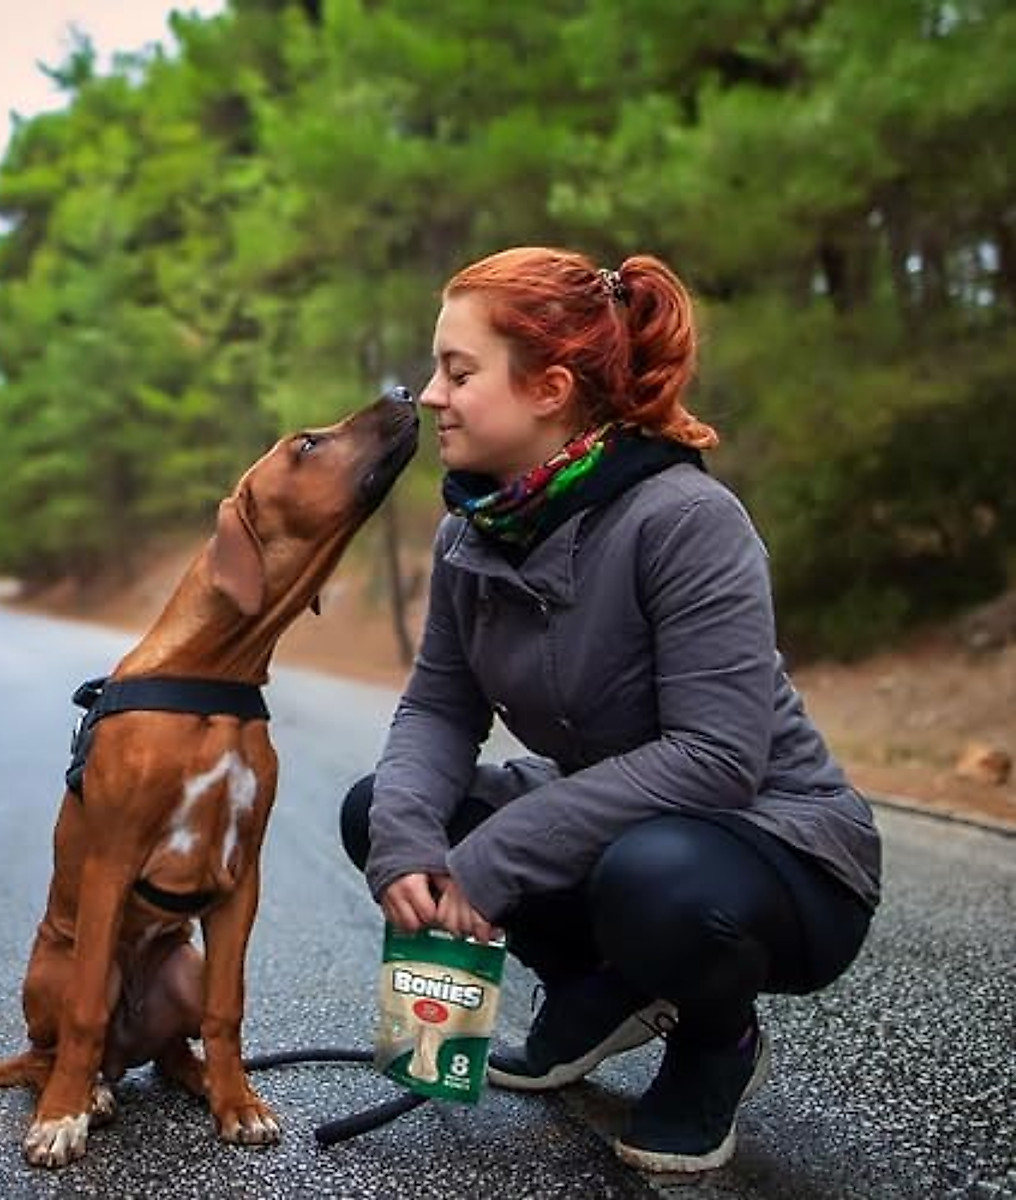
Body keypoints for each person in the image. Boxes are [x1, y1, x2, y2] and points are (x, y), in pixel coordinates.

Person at [339, 246, 881, 1174]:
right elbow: (438, 707)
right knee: (381, 807)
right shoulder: (473, 528)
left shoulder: (685, 520)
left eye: (459, 373)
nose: (431, 396)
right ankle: (598, 990)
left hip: (777, 847)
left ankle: (717, 1043)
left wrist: (498, 856)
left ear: (549, 389)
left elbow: (717, 759)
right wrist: (406, 841)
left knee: (652, 878)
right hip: (625, 823)